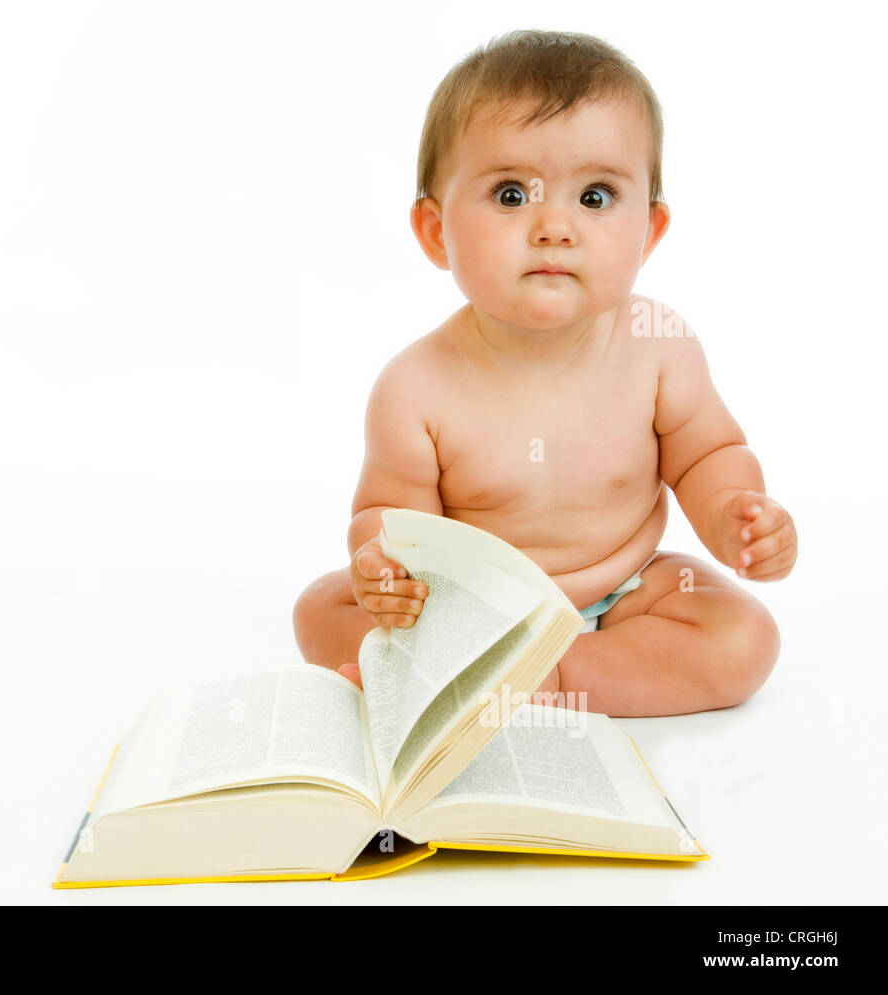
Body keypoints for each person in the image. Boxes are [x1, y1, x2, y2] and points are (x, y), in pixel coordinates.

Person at [292, 29, 795, 717]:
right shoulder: (415, 387)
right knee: (320, 609)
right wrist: (382, 568)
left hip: (624, 594)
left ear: (648, 232)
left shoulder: (660, 346)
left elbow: (710, 453)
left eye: (594, 197)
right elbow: (385, 514)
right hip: (471, 614)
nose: (555, 226)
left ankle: (551, 680)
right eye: (509, 195)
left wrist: (740, 514)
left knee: (743, 637)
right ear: (436, 232)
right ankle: (485, 670)